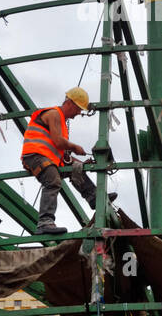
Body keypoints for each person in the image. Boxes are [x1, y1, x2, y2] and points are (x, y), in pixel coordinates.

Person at [20, 87, 114, 235]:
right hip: (34, 156)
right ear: (70, 103)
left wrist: (81, 164)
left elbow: (63, 155)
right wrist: (74, 146)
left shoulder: (61, 121)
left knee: (75, 167)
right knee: (53, 180)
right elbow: (58, 142)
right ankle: (45, 222)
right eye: (78, 109)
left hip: (47, 158)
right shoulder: (54, 114)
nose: (78, 113)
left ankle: (94, 197)